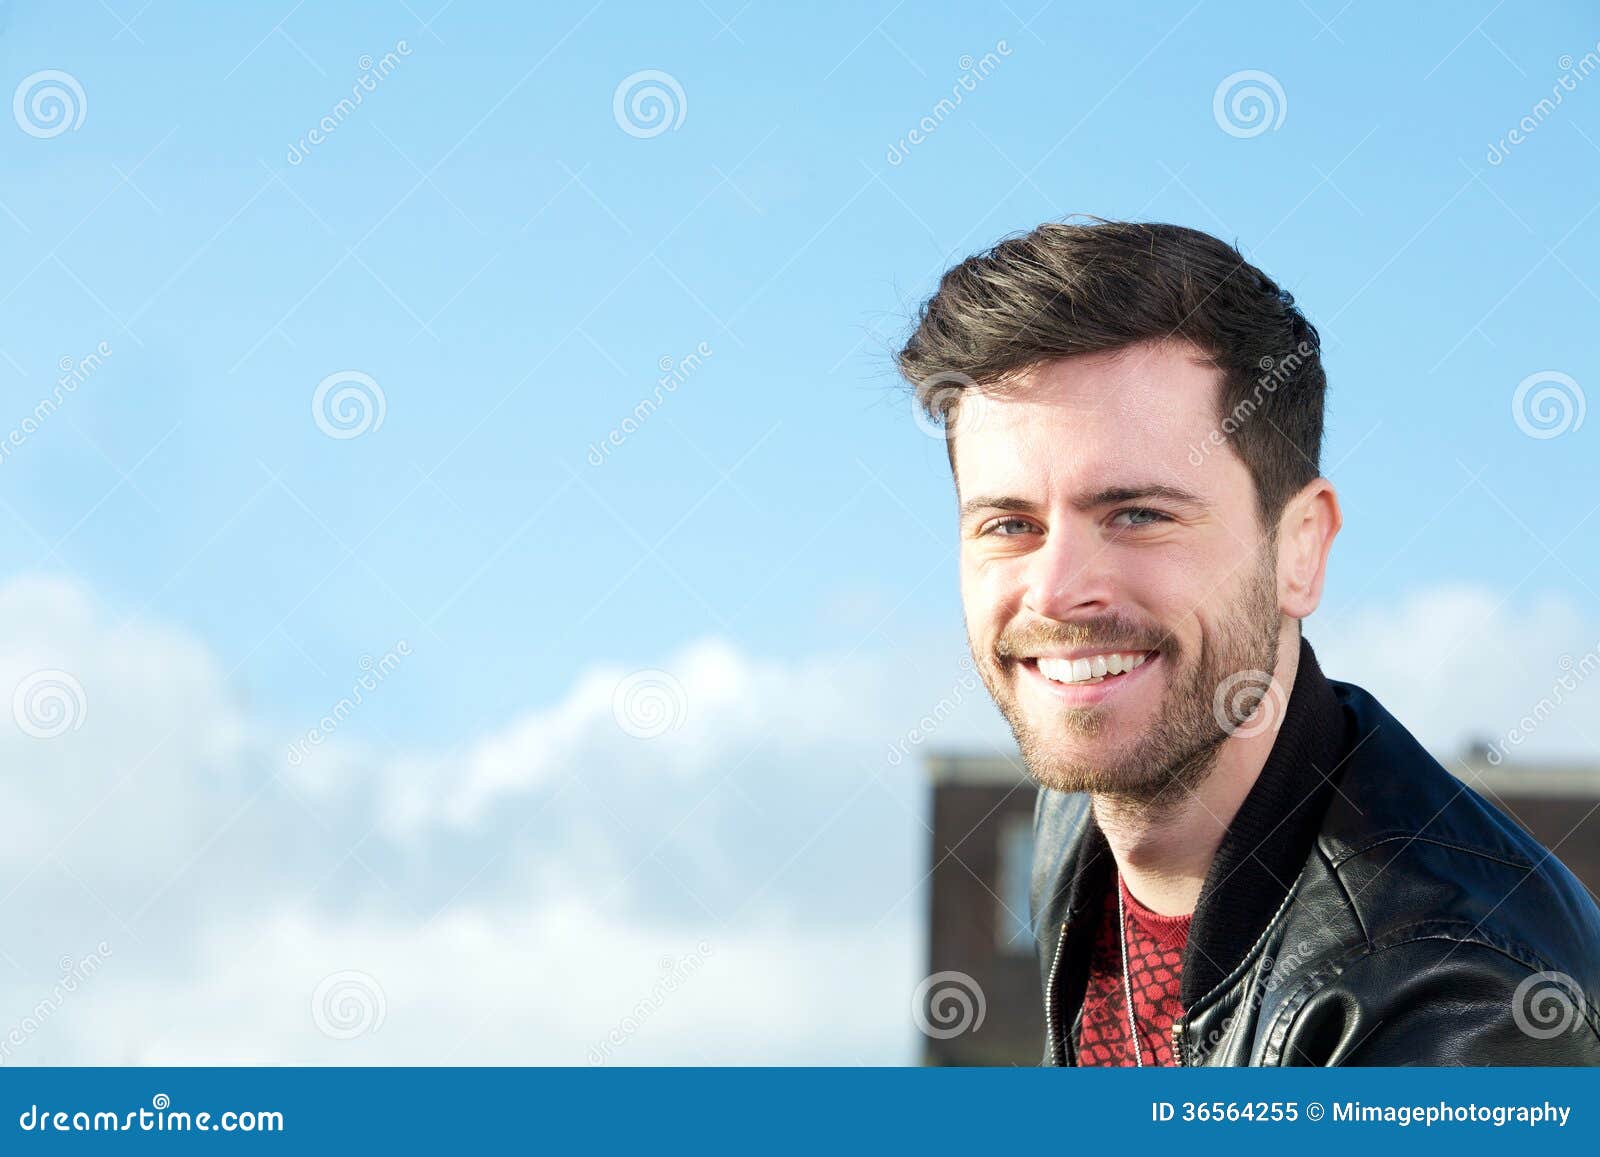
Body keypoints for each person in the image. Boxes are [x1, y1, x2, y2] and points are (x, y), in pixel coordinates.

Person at [897, 219, 1600, 1065]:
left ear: (1300, 548)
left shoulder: (1462, 1002)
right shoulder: (1080, 819)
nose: (1055, 589)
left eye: (1138, 514)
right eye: (1010, 524)